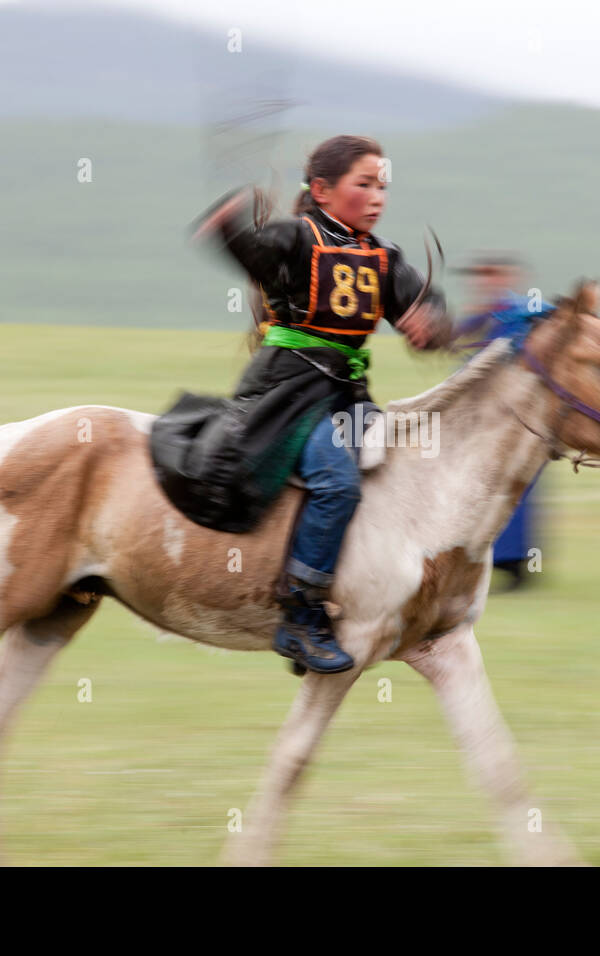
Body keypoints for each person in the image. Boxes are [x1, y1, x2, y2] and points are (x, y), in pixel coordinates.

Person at [192, 134, 451, 673]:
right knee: (337, 481)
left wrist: (432, 325)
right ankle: (301, 615)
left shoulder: (383, 257)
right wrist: (227, 228)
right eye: (364, 185)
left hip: (349, 396)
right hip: (289, 394)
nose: (378, 197)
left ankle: (379, 587)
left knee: (411, 465)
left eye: (382, 185)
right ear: (323, 191)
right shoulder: (296, 237)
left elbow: (423, 302)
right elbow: (255, 253)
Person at [453, 253, 543, 590]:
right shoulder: (482, 316)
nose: (485, 281)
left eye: (492, 274)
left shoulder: (526, 312)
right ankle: (491, 562)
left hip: (521, 422)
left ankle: (521, 567)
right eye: (480, 275)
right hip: (487, 424)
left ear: (508, 277)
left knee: (519, 496)